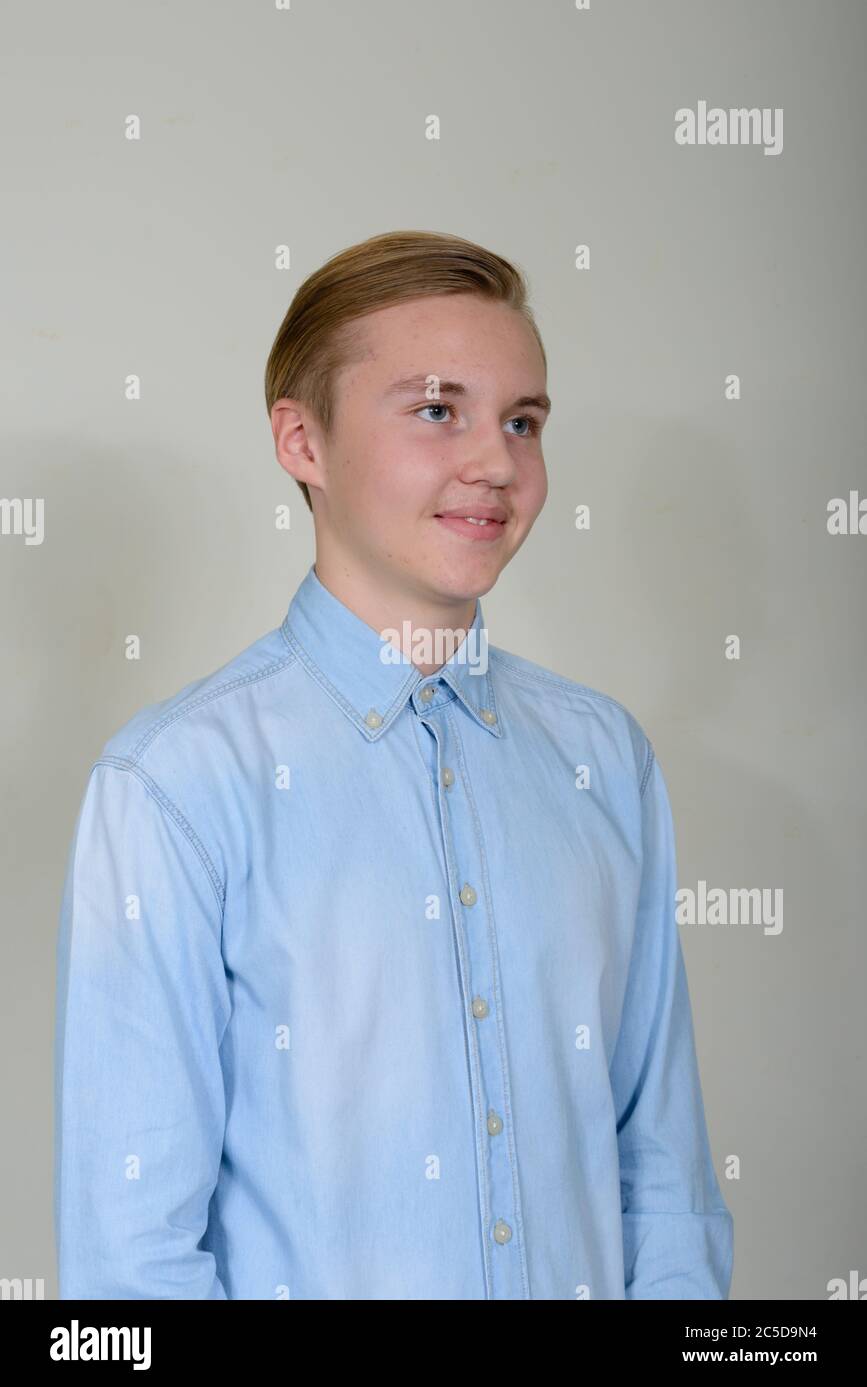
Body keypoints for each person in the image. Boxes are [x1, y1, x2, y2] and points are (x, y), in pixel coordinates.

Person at [54, 229, 734, 1300]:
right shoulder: (178, 786)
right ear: (302, 442)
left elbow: (664, 1172)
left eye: (523, 420)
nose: (497, 462)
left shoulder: (604, 760)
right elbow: (131, 1260)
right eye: (437, 410)